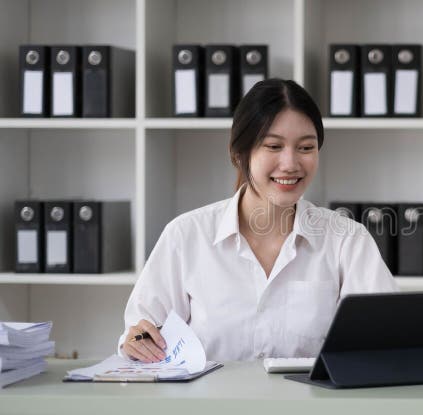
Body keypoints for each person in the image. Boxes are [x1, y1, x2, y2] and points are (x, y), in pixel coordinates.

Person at [118, 79, 397, 362]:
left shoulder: (347, 240)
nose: (290, 163)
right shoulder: (186, 236)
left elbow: (388, 340)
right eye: (273, 146)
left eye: (306, 148)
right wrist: (136, 343)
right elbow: (140, 336)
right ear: (240, 154)